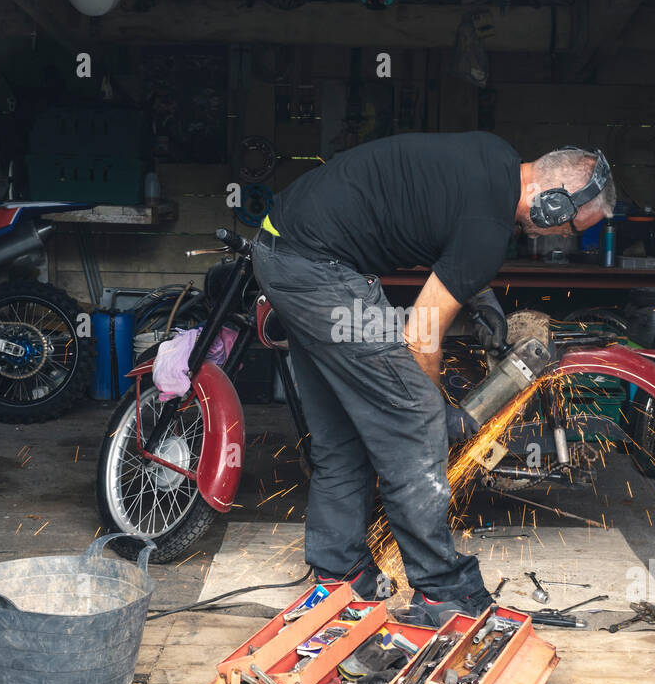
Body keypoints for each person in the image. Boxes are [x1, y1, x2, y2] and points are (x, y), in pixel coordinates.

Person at [251, 133, 615, 624]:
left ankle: (339, 573)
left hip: (281, 250)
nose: (566, 237)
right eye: (570, 225)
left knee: (342, 432)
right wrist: (430, 408)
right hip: (319, 271)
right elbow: (421, 335)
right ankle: (439, 589)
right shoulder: (488, 227)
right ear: (550, 204)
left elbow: (440, 218)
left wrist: (476, 292)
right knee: (414, 421)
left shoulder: (497, 158)